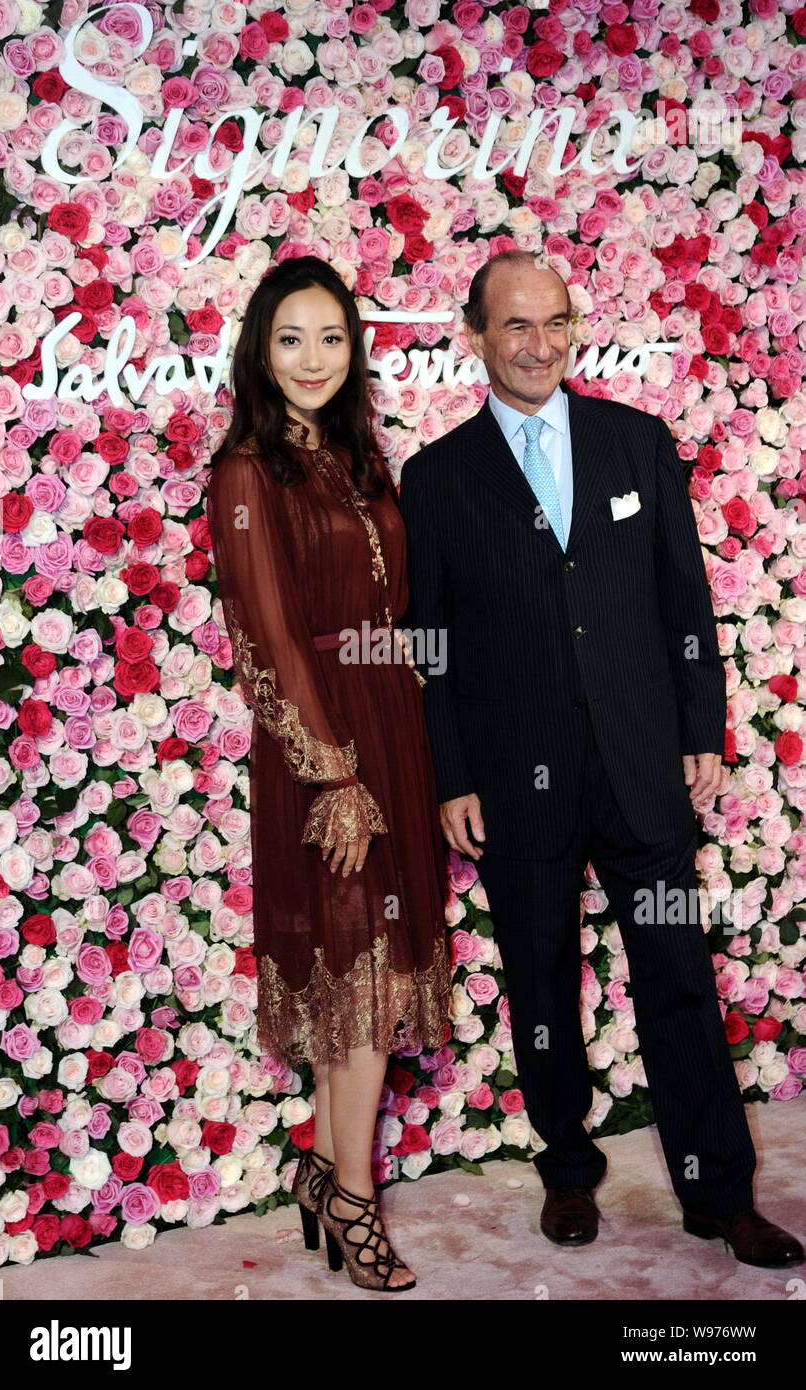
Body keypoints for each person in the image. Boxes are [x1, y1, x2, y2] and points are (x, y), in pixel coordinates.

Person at [398, 250, 804, 1269]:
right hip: (514, 783)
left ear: (572, 327)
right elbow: (429, 643)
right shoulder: (438, 477)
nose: (538, 345)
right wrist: (451, 773)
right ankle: (568, 1170)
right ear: (477, 338)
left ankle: (719, 1194)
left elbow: (684, 599)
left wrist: (699, 730)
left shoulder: (635, 443)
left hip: (640, 778)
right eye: (515, 327)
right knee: (539, 983)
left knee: (674, 973)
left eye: (554, 323)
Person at [205, 255, 452, 1292]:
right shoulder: (246, 474)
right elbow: (263, 634)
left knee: (383, 972)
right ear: (262, 352)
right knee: (348, 966)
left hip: (391, 723)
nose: (313, 359)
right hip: (325, 749)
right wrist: (333, 772)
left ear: (354, 352)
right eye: (292, 338)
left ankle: (330, 1174)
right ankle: (350, 1195)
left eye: (333, 338)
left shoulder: (359, 460)